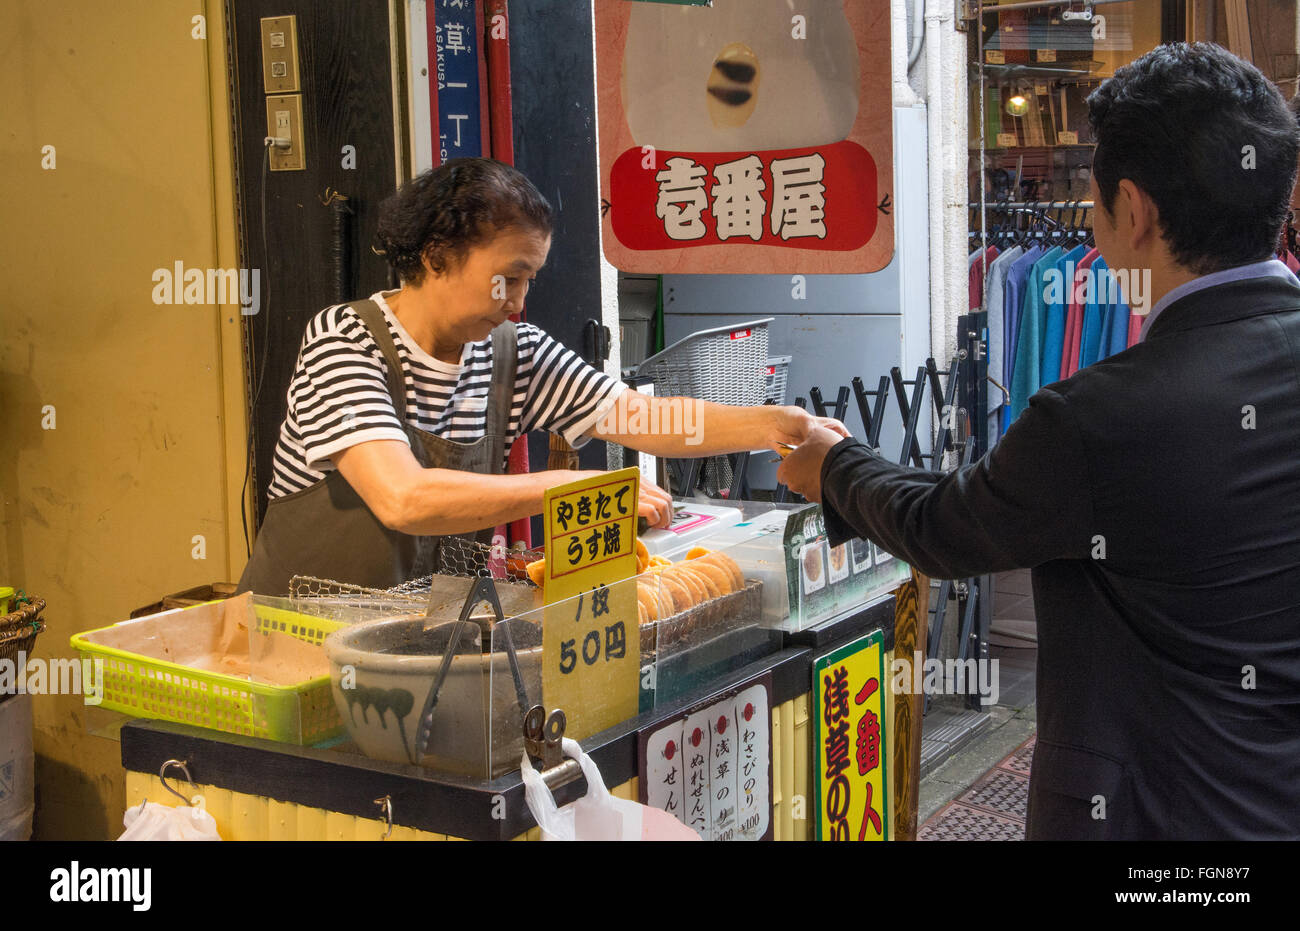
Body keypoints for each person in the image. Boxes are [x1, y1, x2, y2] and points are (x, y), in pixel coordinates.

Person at [778, 43, 1300, 840]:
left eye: (1093, 199)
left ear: (1135, 209)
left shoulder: (1101, 419)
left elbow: (946, 527)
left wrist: (831, 466)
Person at [238, 157, 843, 595]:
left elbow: (642, 416)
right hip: (293, 649)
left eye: (531, 280)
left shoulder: (511, 352)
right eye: (511, 275)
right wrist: (583, 493)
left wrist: (780, 423)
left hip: (408, 645)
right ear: (436, 256)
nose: (519, 301)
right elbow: (405, 497)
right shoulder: (343, 340)